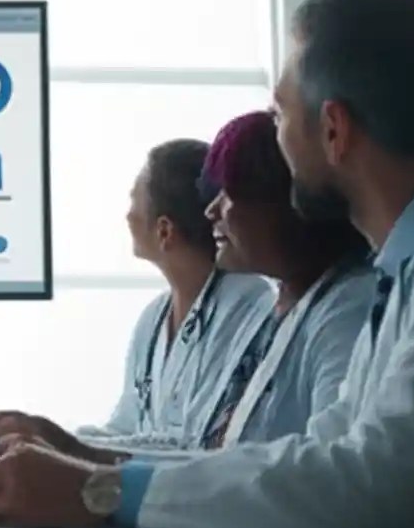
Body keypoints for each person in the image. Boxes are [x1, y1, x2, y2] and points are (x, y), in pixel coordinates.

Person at [0, 0, 414, 528]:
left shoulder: (363, 291)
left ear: (332, 129)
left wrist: (99, 490)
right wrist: (87, 465)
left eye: (277, 114)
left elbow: (383, 482)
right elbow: (321, 450)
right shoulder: (397, 275)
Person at [0, 111, 374, 468]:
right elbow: (208, 454)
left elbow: (315, 474)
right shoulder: (288, 308)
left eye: (228, 194)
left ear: (282, 202)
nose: (212, 211)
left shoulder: (283, 306)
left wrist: (82, 462)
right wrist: (63, 448)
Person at [74, 139, 275, 448]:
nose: (127, 216)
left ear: (164, 230)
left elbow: (198, 443)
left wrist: (59, 449)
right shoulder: (154, 317)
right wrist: (45, 441)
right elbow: (124, 426)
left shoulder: (248, 303)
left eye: (133, 203)